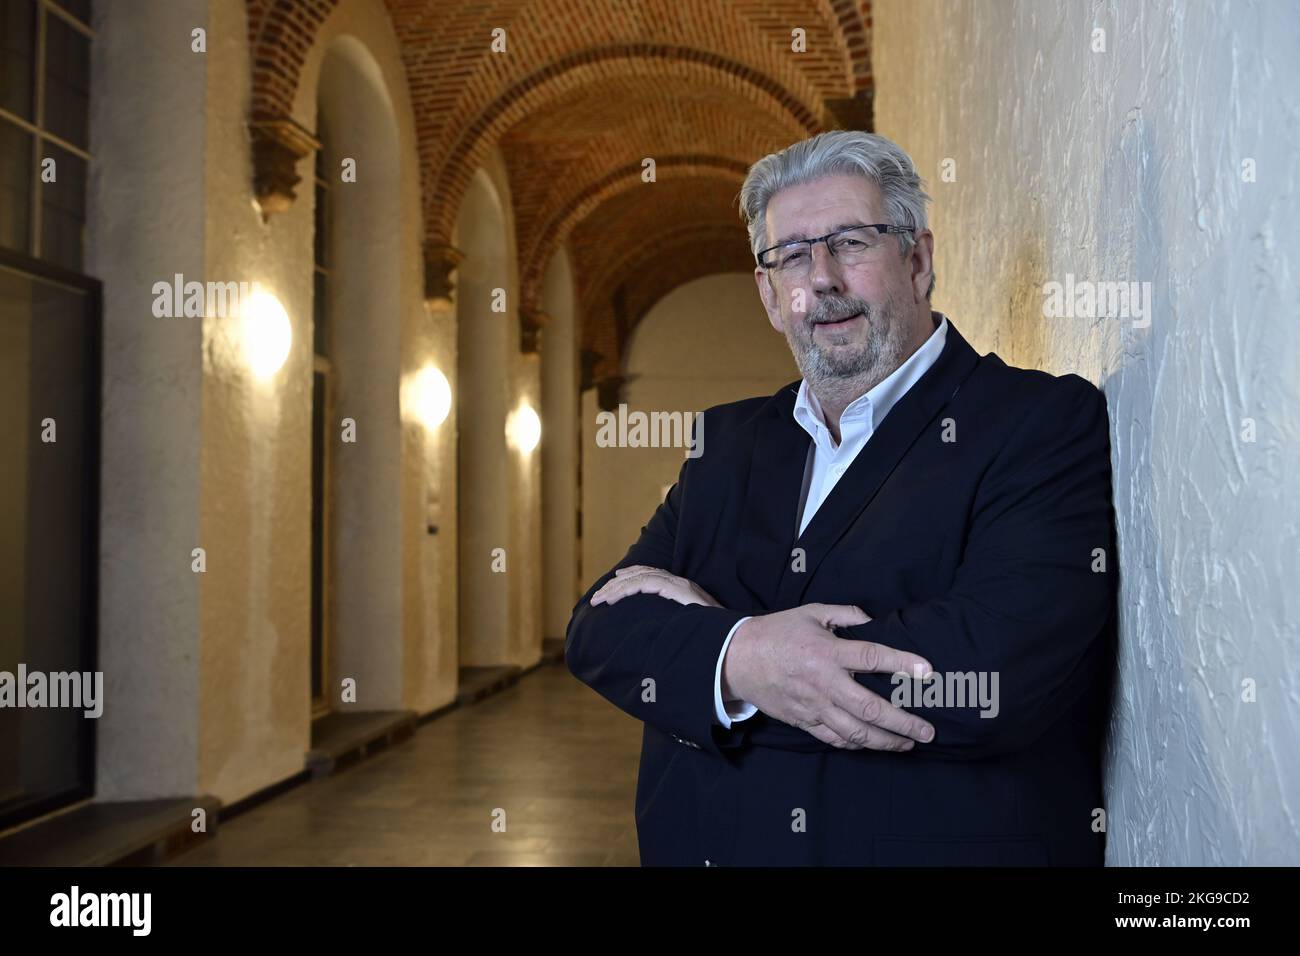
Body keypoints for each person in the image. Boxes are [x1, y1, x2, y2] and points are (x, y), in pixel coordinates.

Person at [565, 129, 1118, 866]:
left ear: (917, 261)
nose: (820, 278)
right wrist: (745, 652)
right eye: (791, 255)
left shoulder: (1035, 423)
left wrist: (716, 653)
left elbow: (991, 677)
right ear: (768, 294)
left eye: (851, 242)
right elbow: (601, 630)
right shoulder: (727, 445)